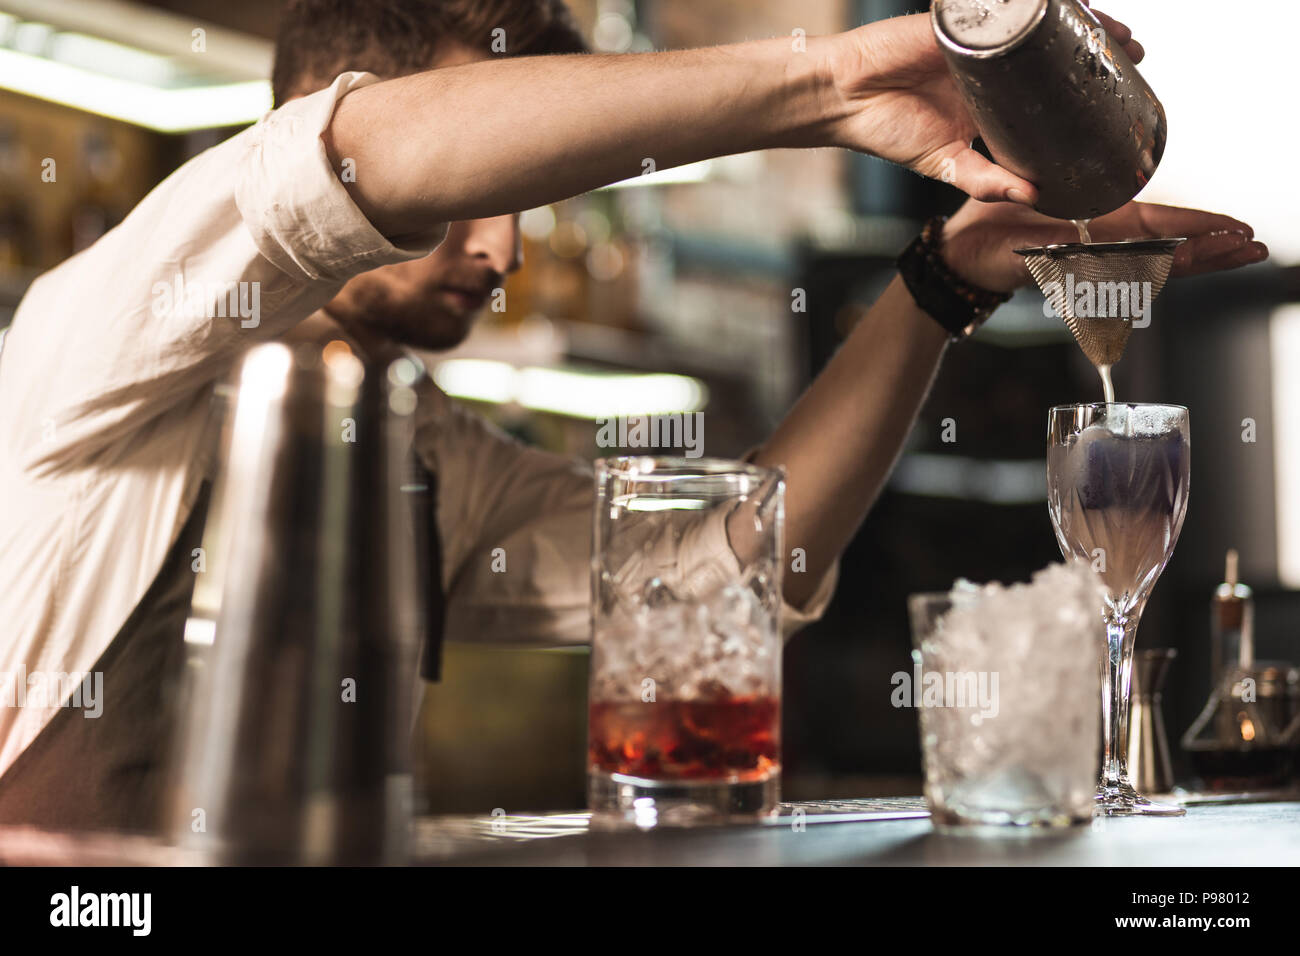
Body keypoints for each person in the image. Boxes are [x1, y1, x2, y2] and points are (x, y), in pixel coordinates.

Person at [0, 0, 1267, 831]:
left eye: (524, 202)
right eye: (484, 191)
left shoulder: (421, 452)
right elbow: (340, 167)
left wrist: (942, 281)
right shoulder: (101, 336)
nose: (500, 249)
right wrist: (823, 79)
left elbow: (732, 572)